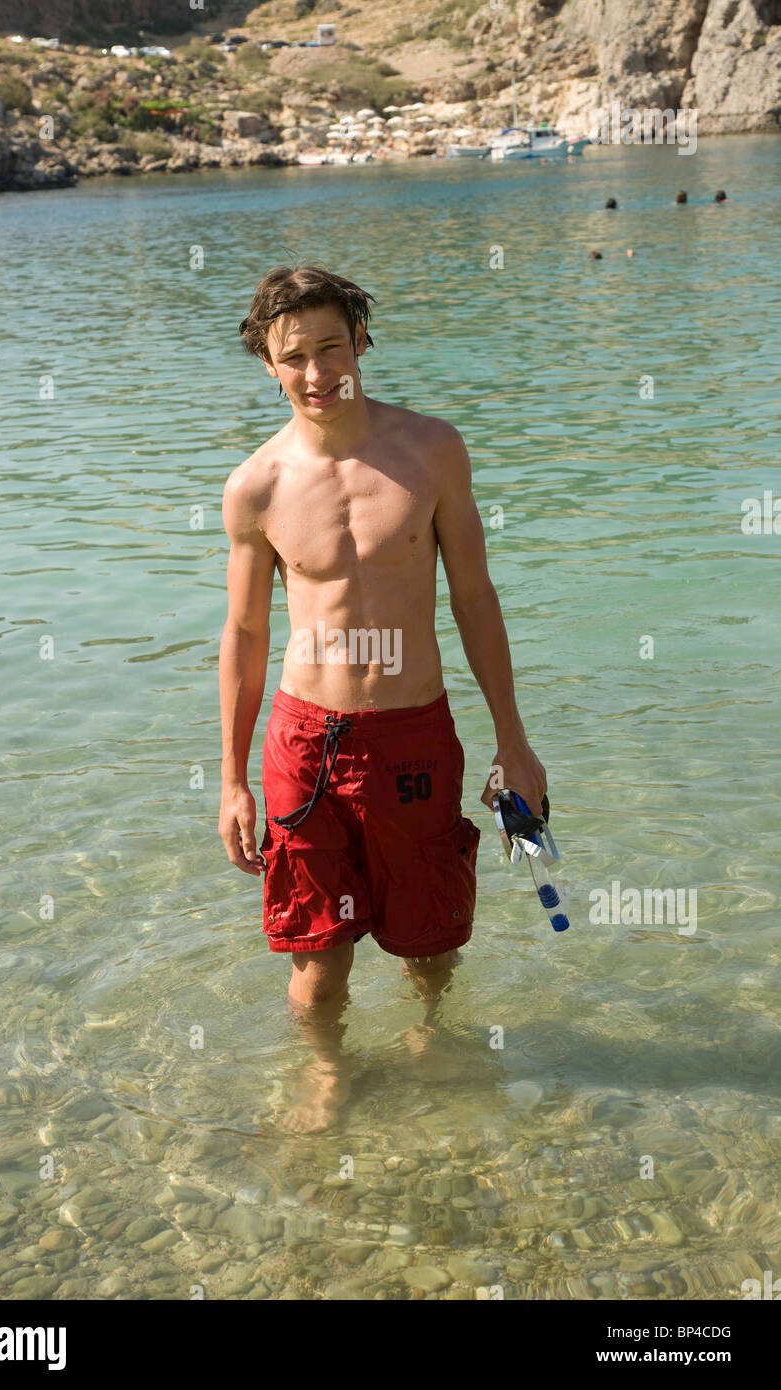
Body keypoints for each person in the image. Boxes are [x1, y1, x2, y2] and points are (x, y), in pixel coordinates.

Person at [219, 265, 547, 1129]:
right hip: (304, 738)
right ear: (269, 365)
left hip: (412, 732)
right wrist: (231, 779)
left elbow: (475, 597)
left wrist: (514, 740)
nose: (319, 372)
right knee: (316, 951)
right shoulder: (256, 486)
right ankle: (328, 1072)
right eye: (297, 357)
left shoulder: (432, 451)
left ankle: (431, 1035)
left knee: (430, 933)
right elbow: (246, 636)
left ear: (361, 342)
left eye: (334, 347)